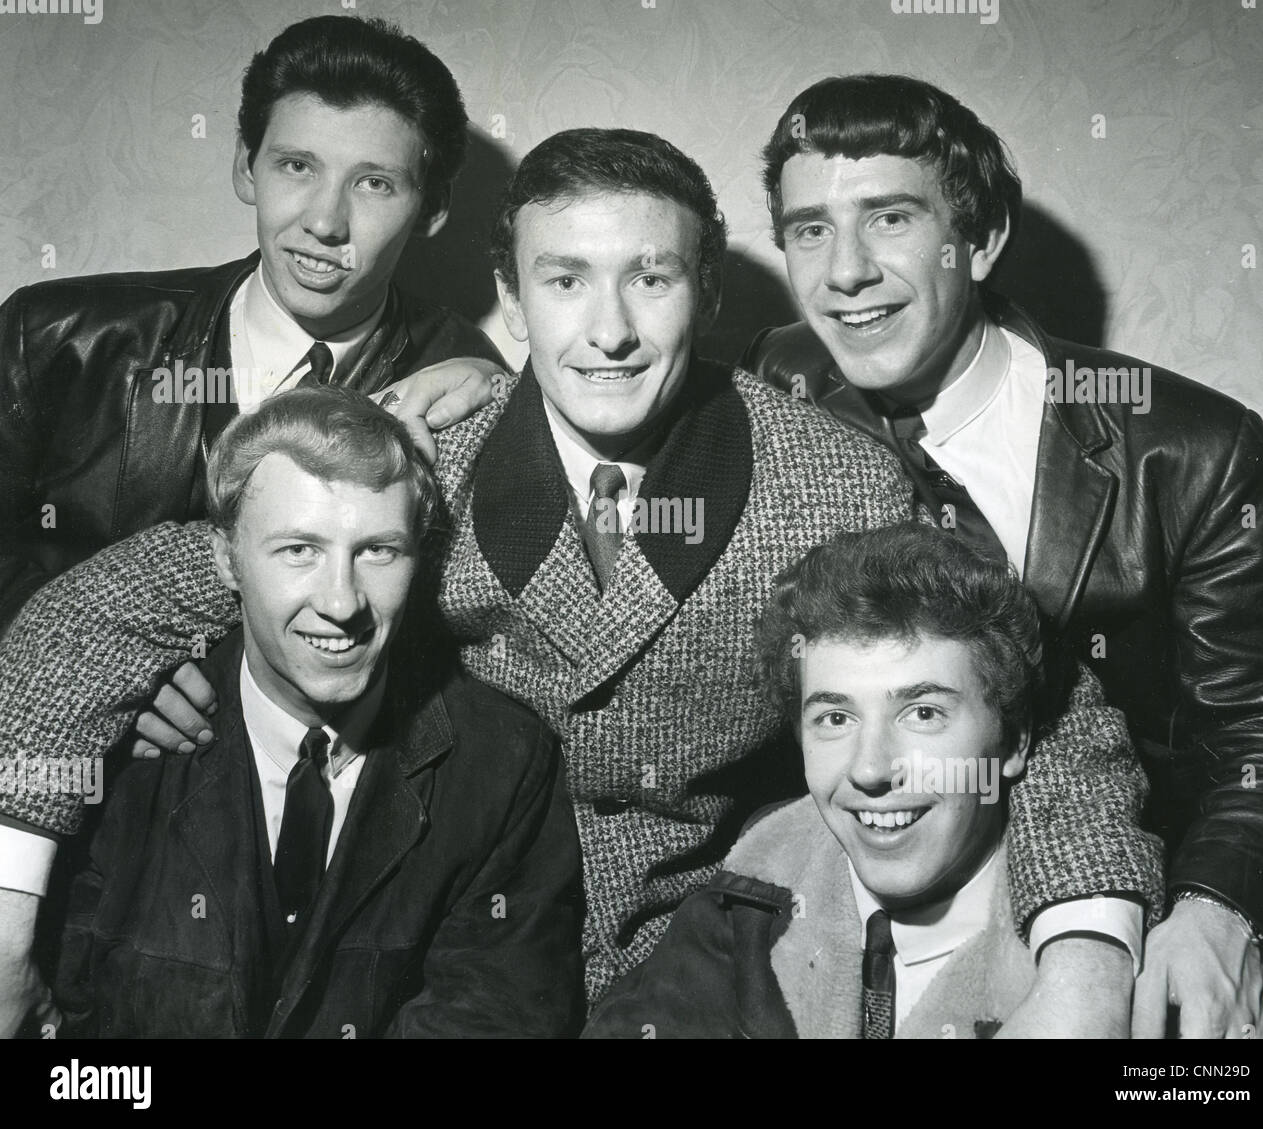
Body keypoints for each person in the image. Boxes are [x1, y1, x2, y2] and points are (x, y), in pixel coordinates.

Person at [0, 129, 1161, 1029]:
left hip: (712, 974)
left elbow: (1043, 703)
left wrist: (1087, 963)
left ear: (707, 296)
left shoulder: (835, 481)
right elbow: (99, 612)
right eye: (565, 281)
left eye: (649, 280)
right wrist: (9, 913)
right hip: (439, 967)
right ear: (509, 303)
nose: (606, 331)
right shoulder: (417, 467)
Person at [739, 73, 1263, 1037]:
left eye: (890, 218)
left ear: (982, 239)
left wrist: (1220, 908)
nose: (845, 273)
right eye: (809, 230)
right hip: (862, 908)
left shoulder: (1193, 450)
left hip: (1128, 895)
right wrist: (470, 373)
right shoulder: (773, 386)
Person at [47, 385, 582, 1038]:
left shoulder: (503, 766)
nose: (341, 601)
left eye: (377, 550)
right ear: (226, 557)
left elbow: (495, 1018)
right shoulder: (113, 738)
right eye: (299, 549)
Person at [0, 12, 503, 634]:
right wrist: (91, 656)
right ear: (246, 167)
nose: (325, 222)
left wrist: (515, 400)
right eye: (297, 166)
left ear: (429, 210)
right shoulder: (57, 338)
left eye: (373, 183)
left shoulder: (465, 377)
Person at [586, 524, 1160, 1038]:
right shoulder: (747, 902)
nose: (870, 770)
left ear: (1013, 741)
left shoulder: (1125, 957)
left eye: (923, 713)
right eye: (835, 719)